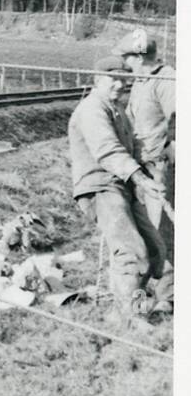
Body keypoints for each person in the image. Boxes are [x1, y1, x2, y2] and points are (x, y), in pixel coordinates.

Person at [68, 56, 172, 320]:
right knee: (131, 252)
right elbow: (108, 150)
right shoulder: (92, 109)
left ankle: (130, 302)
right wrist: (141, 179)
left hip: (120, 186)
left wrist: (150, 174)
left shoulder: (117, 110)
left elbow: (133, 144)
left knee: (155, 248)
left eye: (123, 81)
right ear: (97, 80)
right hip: (99, 187)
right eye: (112, 79)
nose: (118, 85)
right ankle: (128, 315)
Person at [118, 29, 175, 263]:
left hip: (159, 166)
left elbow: (179, 116)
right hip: (142, 165)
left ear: (139, 58)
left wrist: (172, 146)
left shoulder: (166, 79)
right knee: (146, 225)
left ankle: (168, 289)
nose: (124, 63)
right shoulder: (142, 81)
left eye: (127, 57)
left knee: (161, 226)